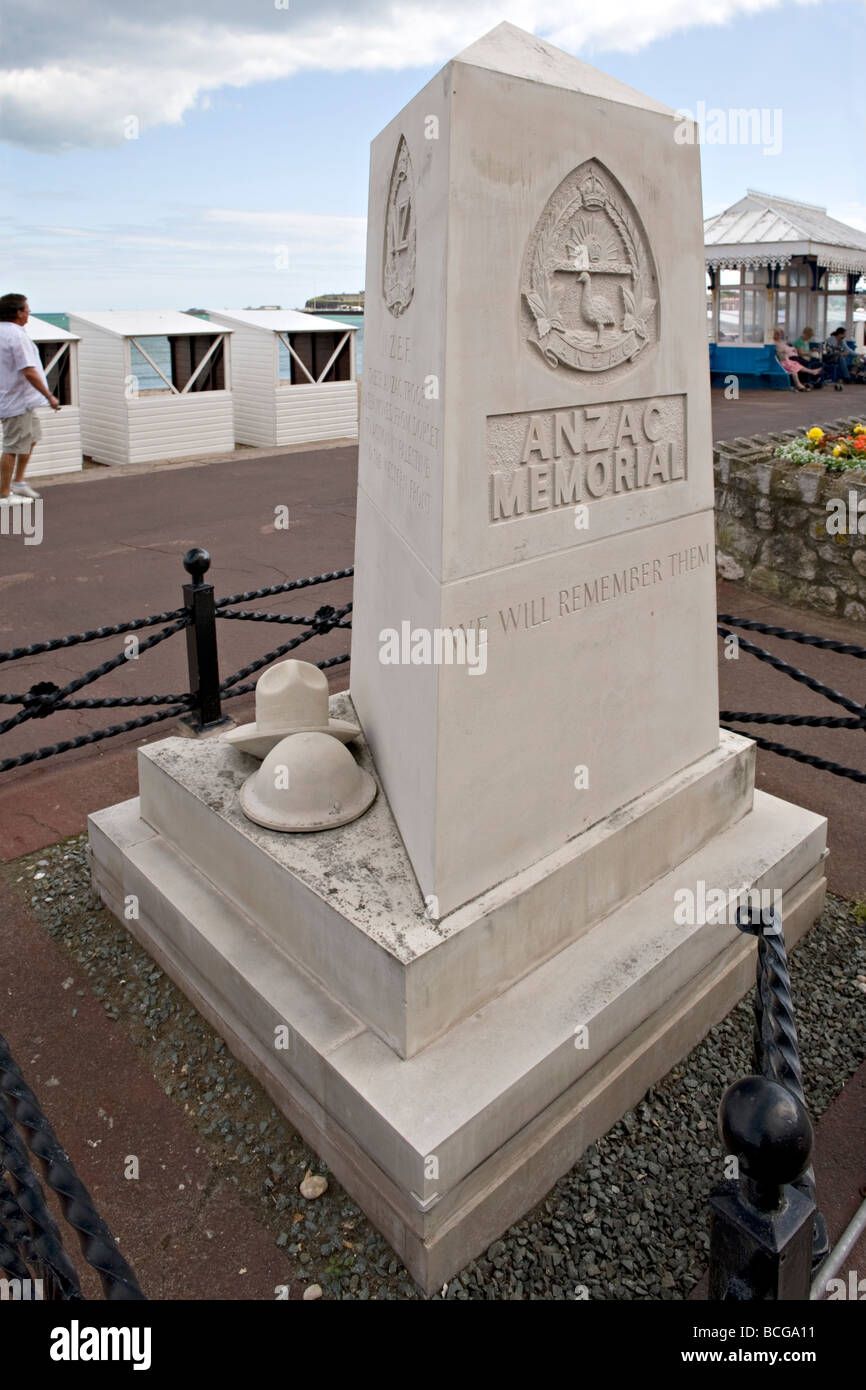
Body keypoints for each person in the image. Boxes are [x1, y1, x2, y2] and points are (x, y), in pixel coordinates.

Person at [0, 293, 59, 503]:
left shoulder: (6, 332)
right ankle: (4, 493)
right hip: (17, 401)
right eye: (26, 310)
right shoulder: (16, 336)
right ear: (17, 313)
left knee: (31, 438)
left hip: (20, 400)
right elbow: (28, 370)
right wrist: (49, 395)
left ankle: (18, 482)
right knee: (12, 446)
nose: (29, 313)